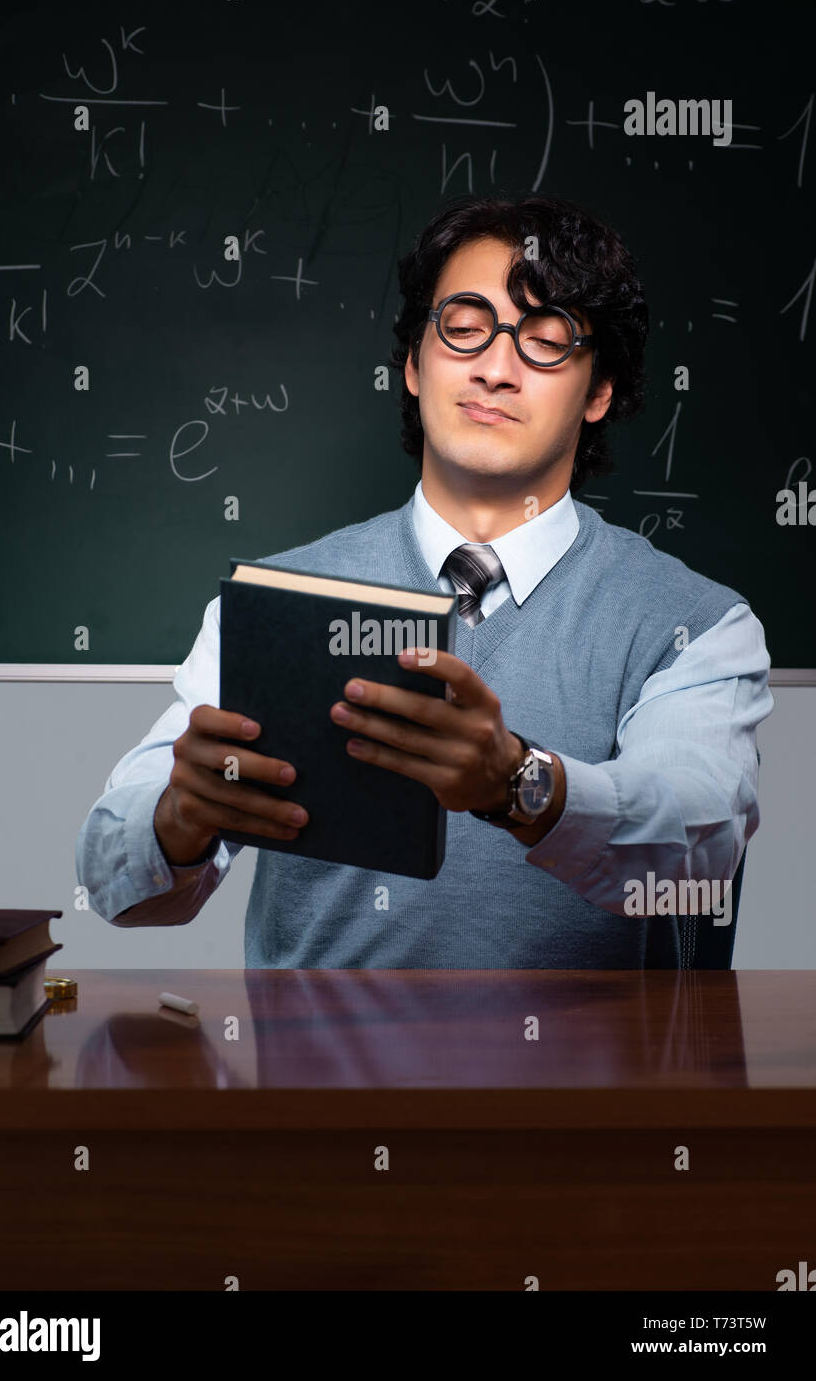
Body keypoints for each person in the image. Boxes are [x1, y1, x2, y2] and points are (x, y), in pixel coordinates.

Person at [75, 192, 773, 968]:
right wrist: (180, 818)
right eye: (464, 329)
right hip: (316, 1086)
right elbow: (112, 884)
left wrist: (517, 782)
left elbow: (697, 843)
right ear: (413, 364)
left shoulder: (695, 625)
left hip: (589, 1089)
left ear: (599, 391)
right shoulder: (274, 604)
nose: (496, 369)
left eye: (544, 340)